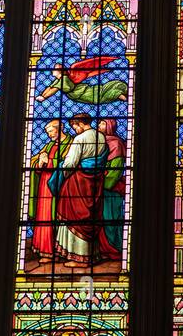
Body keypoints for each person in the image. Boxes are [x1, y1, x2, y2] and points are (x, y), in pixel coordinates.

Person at [50, 114, 118, 266]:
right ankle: (92, 254)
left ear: (79, 124)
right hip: (95, 181)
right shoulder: (100, 136)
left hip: (78, 181)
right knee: (90, 215)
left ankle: (78, 258)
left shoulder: (79, 139)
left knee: (74, 215)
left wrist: (61, 176)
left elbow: (70, 163)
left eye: (74, 126)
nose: (74, 129)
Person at [28, 118, 67, 263]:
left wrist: (48, 161)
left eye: (51, 131)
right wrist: (39, 162)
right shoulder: (49, 145)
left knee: (58, 216)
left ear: (60, 128)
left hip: (61, 185)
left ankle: (59, 250)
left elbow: (69, 162)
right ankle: (46, 250)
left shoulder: (71, 143)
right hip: (45, 186)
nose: (49, 134)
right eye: (48, 132)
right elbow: (36, 162)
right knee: (44, 217)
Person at [98, 118, 126, 254]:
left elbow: (117, 168)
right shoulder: (99, 142)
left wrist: (105, 182)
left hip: (111, 188)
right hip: (98, 185)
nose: (99, 125)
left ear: (109, 126)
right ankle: (103, 248)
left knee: (111, 218)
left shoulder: (116, 143)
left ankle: (115, 247)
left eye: (102, 123)